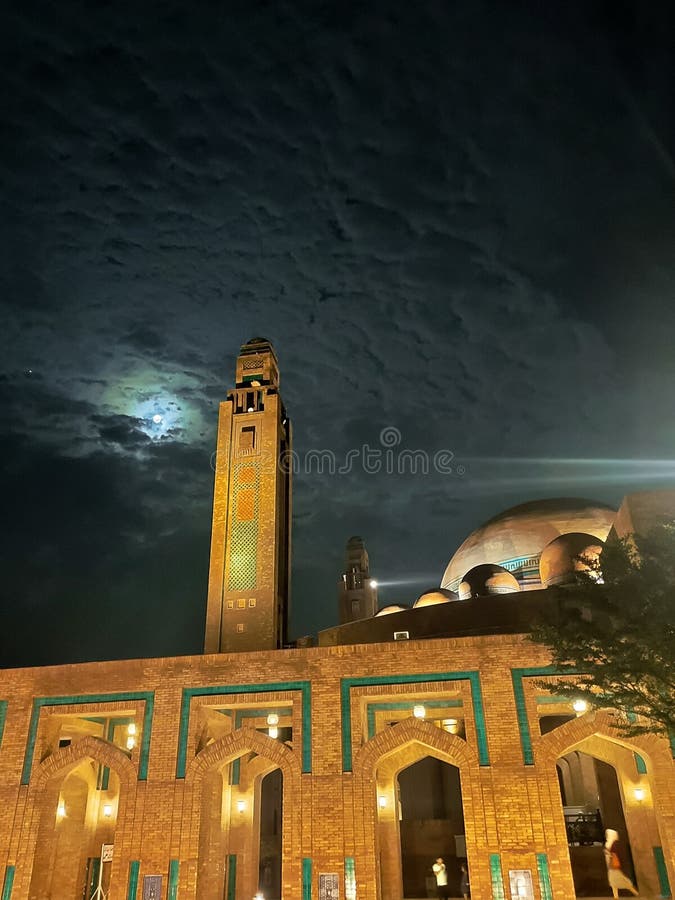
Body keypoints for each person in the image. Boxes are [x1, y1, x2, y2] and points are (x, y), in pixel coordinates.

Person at [603, 829, 639, 898]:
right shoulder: (612, 843)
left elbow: (614, 854)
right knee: (614, 882)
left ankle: (636, 893)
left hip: (613, 866)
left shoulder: (614, 843)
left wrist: (608, 853)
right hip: (612, 866)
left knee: (622, 882)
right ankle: (616, 897)